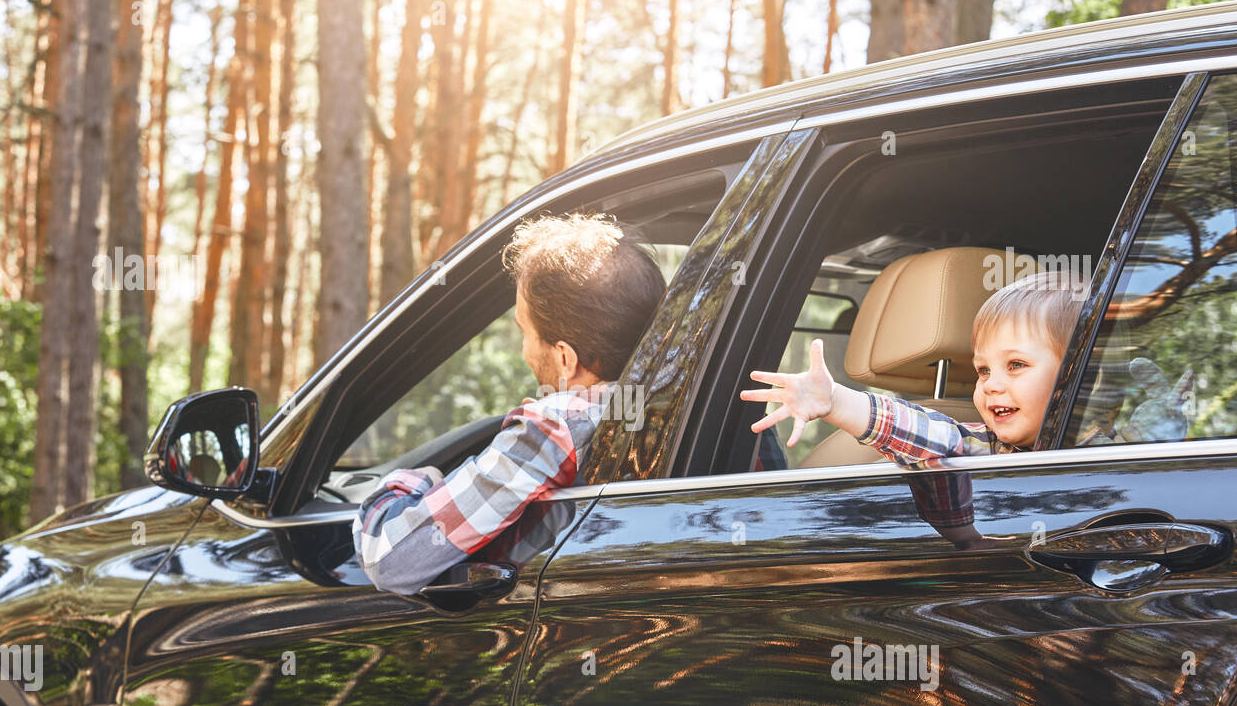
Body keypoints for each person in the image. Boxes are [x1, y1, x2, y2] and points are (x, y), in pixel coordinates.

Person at [352, 212, 666, 594]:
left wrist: (412, 481)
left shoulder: (553, 428)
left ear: (566, 357)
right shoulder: (666, 401)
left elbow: (389, 558)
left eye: (525, 331)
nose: (523, 350)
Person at [740, 270, 1088, 467]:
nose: (992, 385)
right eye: (983, 371)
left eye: (1016, 365)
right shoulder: (985, 448)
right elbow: (919, 431)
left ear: (1080, 373)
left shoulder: (1117, 449)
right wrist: (835, 401)